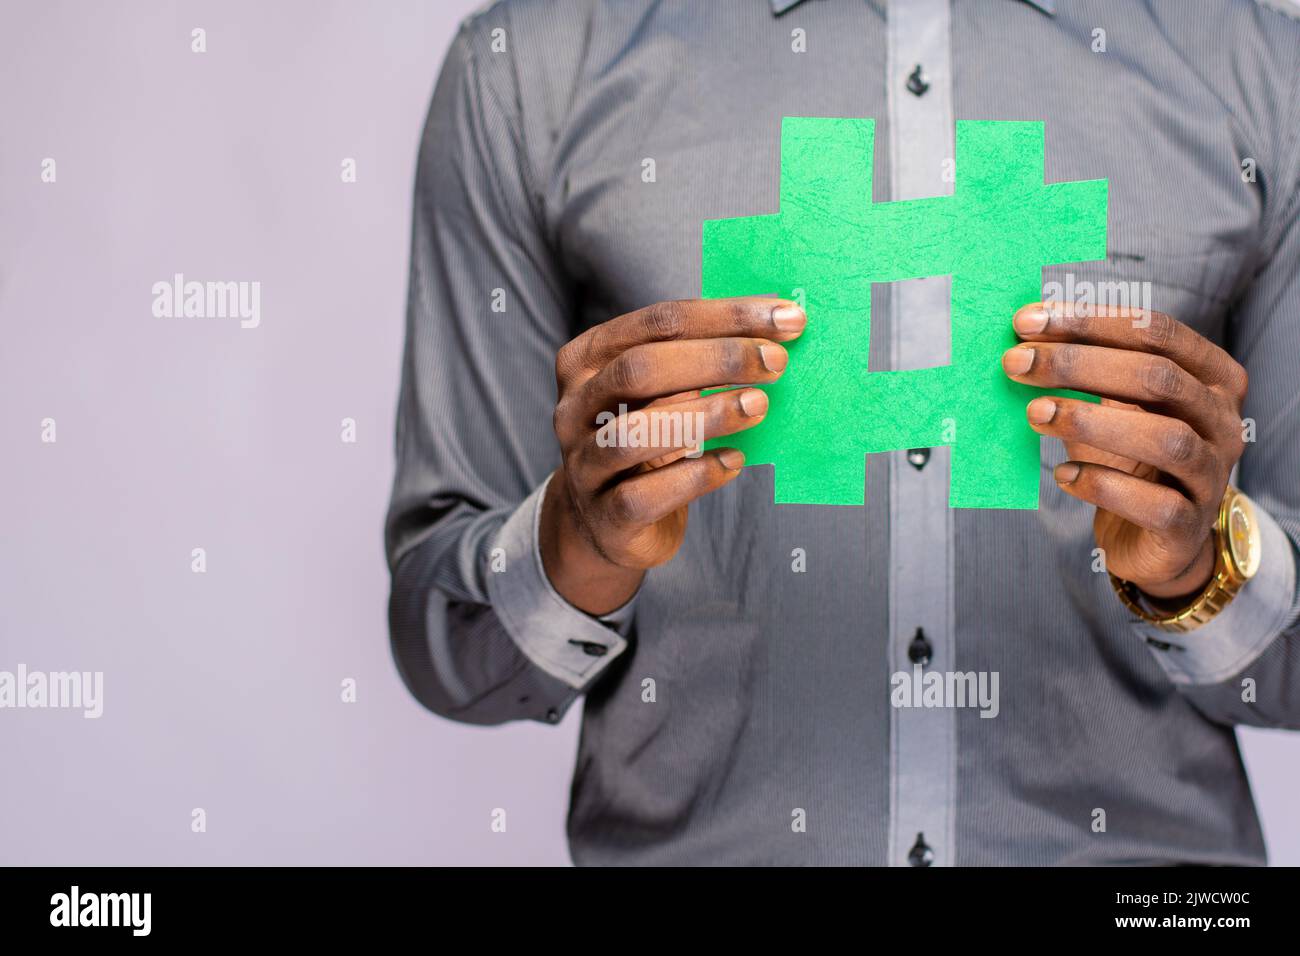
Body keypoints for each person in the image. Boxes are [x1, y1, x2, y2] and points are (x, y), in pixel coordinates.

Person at [385, 0, 1300, 865]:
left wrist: (1201, 570)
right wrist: (578, 550)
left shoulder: (1263, 69)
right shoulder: (531, 66)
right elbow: (451, 647)